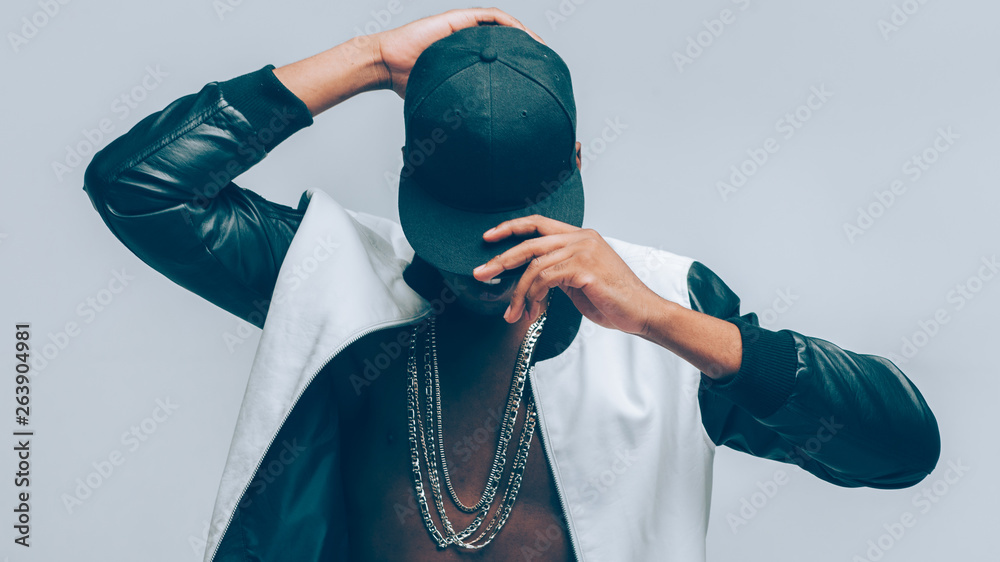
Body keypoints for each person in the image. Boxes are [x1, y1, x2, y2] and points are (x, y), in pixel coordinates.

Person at [81, 8, 940, 562]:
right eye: (461, 240)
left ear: (576, 163)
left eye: (512, 237)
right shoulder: (328, 282)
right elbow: (137, 185)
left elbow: (902, 450)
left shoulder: (665, 310)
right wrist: (372, 58)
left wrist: (662, 323)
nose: (485, 269)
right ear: (410, 176)